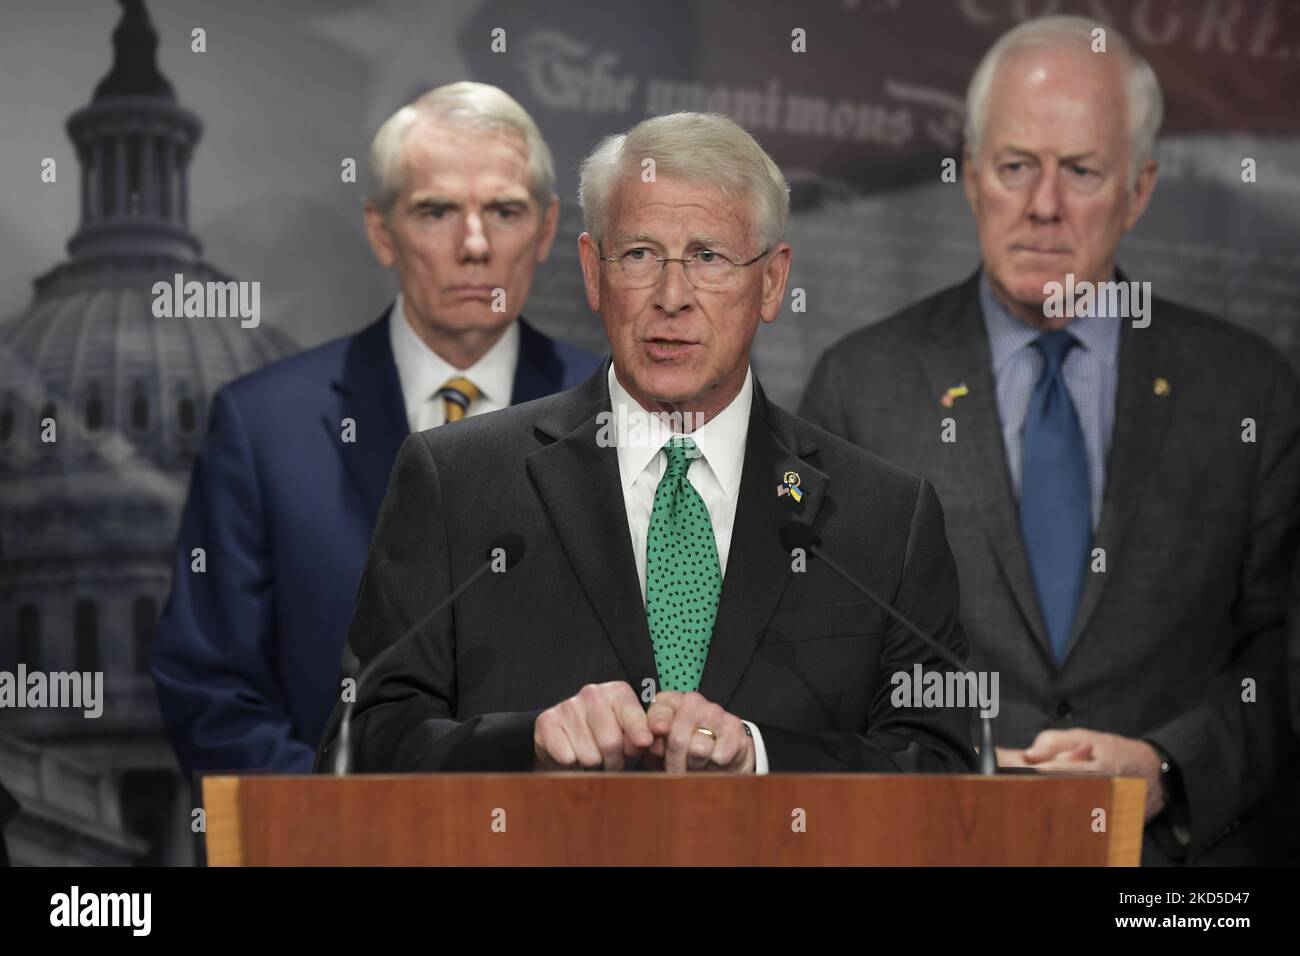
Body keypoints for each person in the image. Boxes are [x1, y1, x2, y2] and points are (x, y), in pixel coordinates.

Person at [315, 112, 978, 775]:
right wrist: (526, 745)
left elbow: (944, 771)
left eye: (708, 257)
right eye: (638, 255)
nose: (671, 296)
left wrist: (762, 759)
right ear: (593, 272)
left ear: (772, 282)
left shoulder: (885, 520)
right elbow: (358, 748)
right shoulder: (459, 484)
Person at [800, 16, 1300, 863]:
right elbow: (817, 656)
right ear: (969, 175)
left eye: (1082, 171)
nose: (1044, 205)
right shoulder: (858, 385)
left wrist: (1168, 768)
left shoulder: (1248, 389)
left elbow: (1279, 656)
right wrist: (950, 771)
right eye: (1016, 165)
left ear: (1140, 189)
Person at [153, 82, 599, 774]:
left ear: (545, 232)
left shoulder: (619, 417)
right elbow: (212, 691)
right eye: (436, 210)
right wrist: (340, 833)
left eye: (504, 211)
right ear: (380, 231)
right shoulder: (264, 426)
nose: (473, 244)